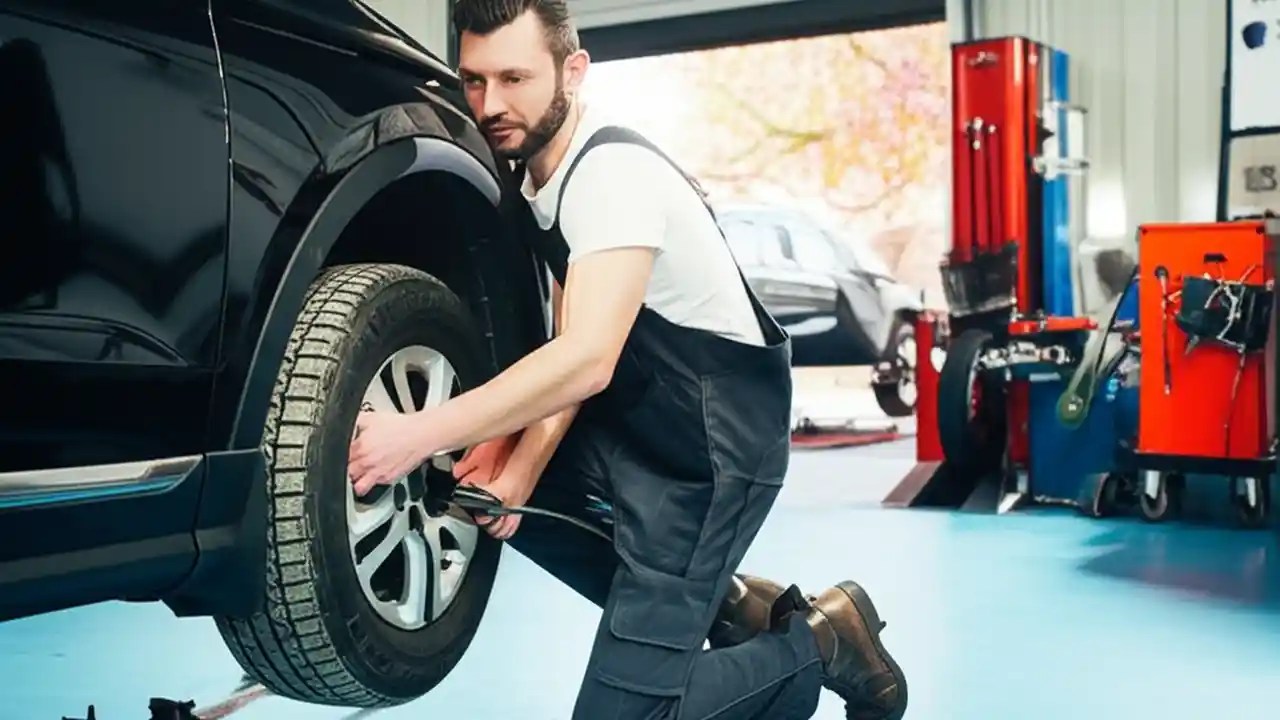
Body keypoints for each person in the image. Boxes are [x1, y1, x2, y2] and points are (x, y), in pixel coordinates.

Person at [345, 1, 908, 718]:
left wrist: (420, 433)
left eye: (515, 78)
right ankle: (727, 606)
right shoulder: (535, 181)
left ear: (572, 71)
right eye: (475, 81)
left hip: (710, 458)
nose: (491, 105)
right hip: (637, 426)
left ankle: (823, 640)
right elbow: (568, 345)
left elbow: (587, 361)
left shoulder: (609, 177)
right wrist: (518, 466)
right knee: (482, 484)